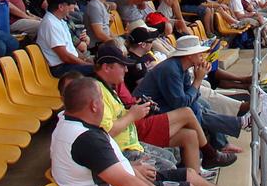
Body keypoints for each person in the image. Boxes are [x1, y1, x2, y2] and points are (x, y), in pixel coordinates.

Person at [50, 76, 251, 186]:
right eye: (102, 100)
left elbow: (118, 172)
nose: (104, 106)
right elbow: (128, 185)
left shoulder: (73, 125)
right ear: (94, 106)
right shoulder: (86, 139)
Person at [92, 42, 236, 171]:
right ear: (106, 67)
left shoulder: (111, 85)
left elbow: (190, 97)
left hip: (137, 126)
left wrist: (135, 107)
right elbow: (107, 131)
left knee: (191, 133)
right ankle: (211, 153)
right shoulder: (97, 92)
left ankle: (197, 177)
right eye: (122, 66)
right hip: (134, 133)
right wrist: (132, 114)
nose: (126, 70)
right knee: (187, 113)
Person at [134, 36, 247, 152]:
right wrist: (198, 80)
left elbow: (190, 95)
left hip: (163, 104)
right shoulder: (170, 69)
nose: (202, 56)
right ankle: (234, 128)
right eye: (199, 54)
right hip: (149, 112)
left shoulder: (181, 66)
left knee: (201, 105)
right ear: (189, 55)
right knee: (194, 110)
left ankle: (221, 143)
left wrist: (198, 78)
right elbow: (181, 103)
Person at [37, 0, 94, 77]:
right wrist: (85, 64)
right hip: (60, 68)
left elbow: (71, 49)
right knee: (98, 71)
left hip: (68, 64)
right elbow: (65, 56)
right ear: (60, 7)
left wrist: (85, 59)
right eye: (68, 4)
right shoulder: (50, 24)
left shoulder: (59, 21)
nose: (71, 8)